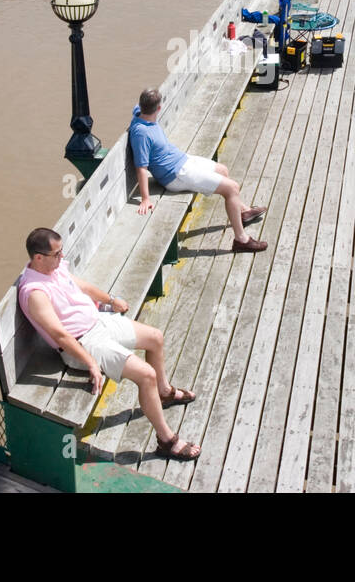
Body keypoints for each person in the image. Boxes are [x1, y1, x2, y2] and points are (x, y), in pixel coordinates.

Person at [17, 227, 202, 461]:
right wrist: (92, 364)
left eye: (62, 251)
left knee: (155, 337)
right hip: (82, 344)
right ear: (39, 257)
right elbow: (60, 335)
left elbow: (81, 286)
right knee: (146, 375)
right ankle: (167, 441)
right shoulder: (35, 293)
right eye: (57, 254)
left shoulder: (53, 268)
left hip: (98, 322)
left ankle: (164, 392)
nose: (62, 257)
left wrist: (111, 300)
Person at [130, 88, 267, 252]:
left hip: (182, 160)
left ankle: (243, 212)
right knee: (232, 188)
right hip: (175, 175)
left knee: (222, 170)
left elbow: (137, 107)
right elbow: (141, 167)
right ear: (159, 109)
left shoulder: (140, 114)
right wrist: (145, 198)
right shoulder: (141, 134)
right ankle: (241, 240)